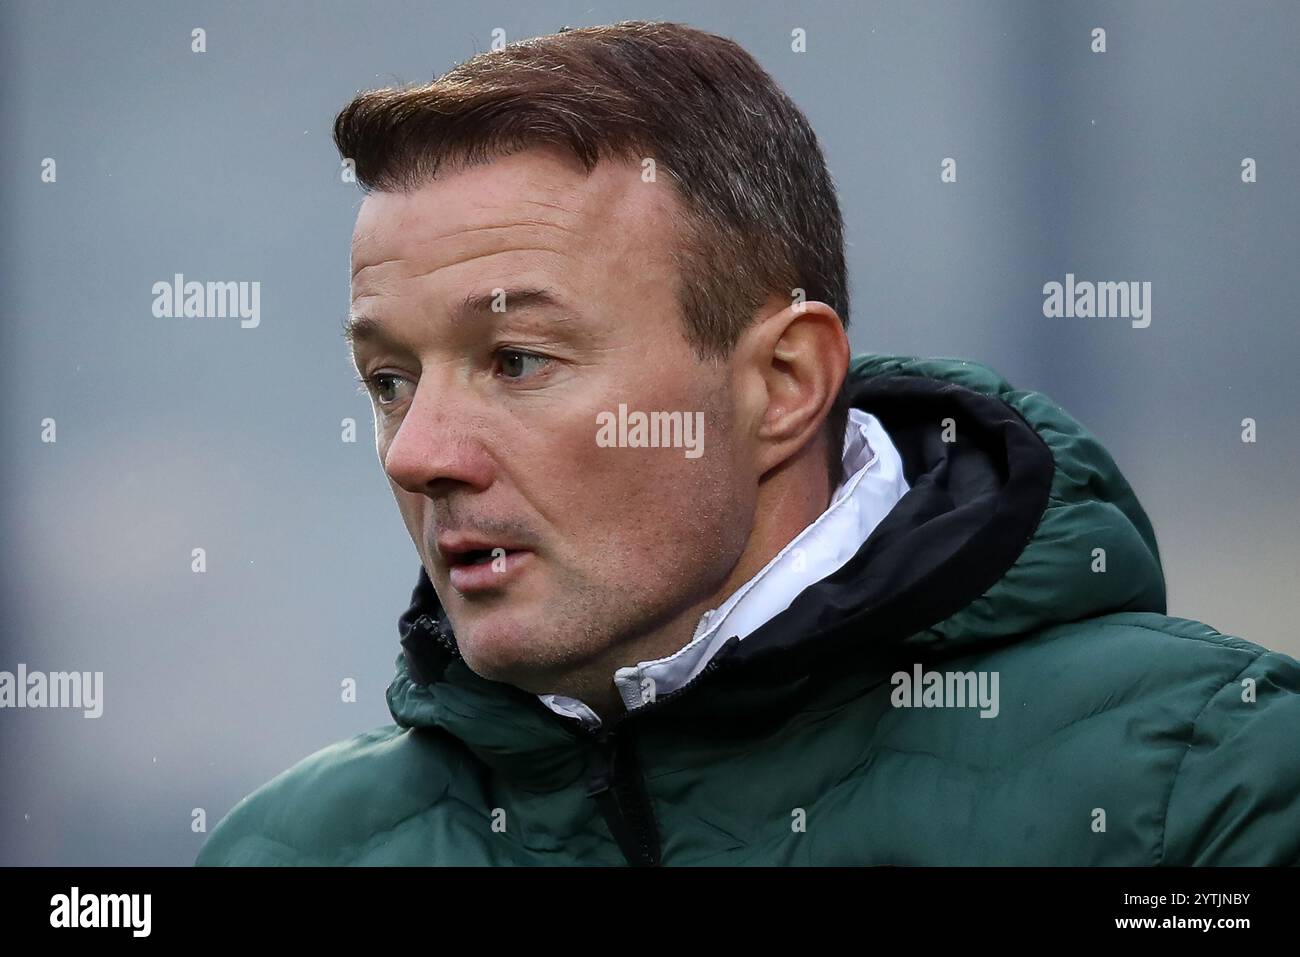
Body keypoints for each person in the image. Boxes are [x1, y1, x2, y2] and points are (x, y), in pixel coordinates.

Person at [197, 20, 1300, 866]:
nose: (416, 451)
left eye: (517, 360)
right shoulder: (286, 853)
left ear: (781, 385)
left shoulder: (1210, 786)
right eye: (389, 380)